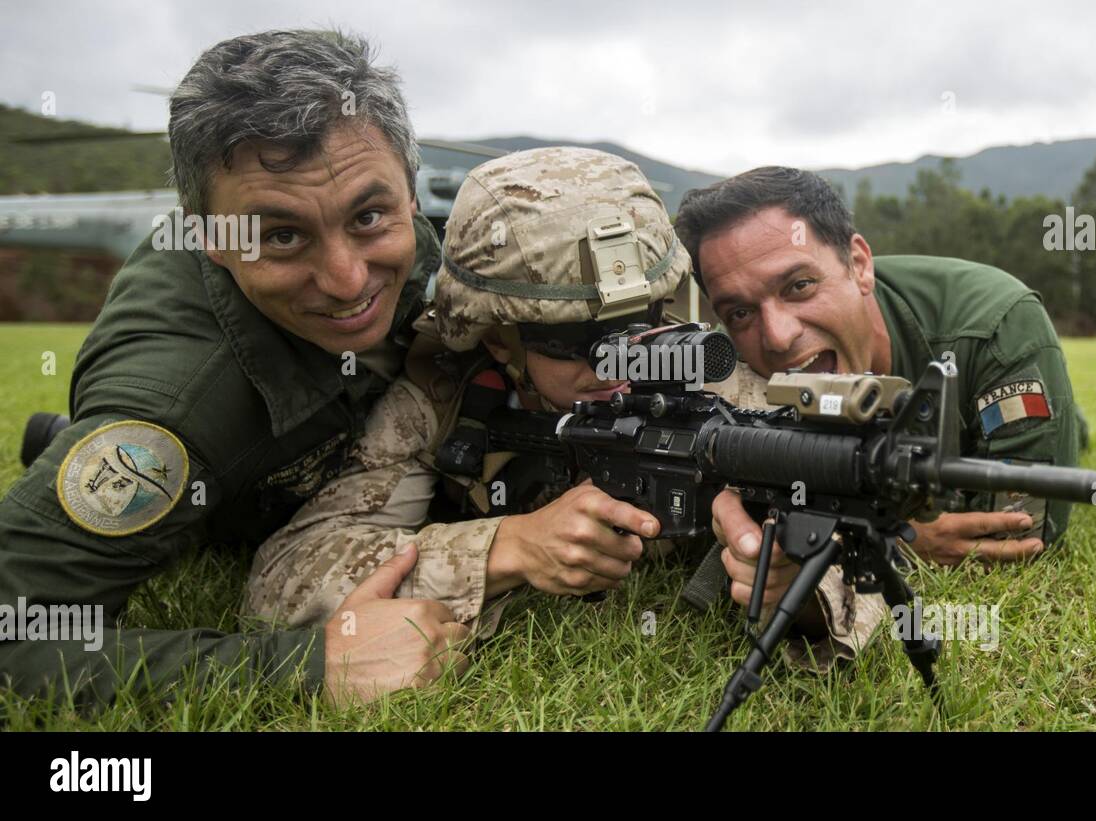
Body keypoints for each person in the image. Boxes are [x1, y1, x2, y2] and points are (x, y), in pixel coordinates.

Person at [242, 147, 887, 702]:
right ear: (499, 343)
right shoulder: (442, 399)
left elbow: (863, 533)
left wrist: (798, 590)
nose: (618, 361)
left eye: (639, 326)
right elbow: (284, 576)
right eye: (573, 340)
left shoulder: (711, 381)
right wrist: (508, 548)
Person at [0, 30, 466, 707]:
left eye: (369, 215)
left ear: (411, 197)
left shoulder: (446, 263)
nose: (347, 278)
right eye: (281, 234)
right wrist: (305, 666)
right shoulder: (172, 412)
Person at [673, 166, 1084, 585]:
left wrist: (885, 539)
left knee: (1074, 433)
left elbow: (1021, 535)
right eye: (740, 313)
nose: (778, 336)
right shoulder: (727, 366)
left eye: (799, 286)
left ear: (859, 264)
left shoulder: (997, 327)